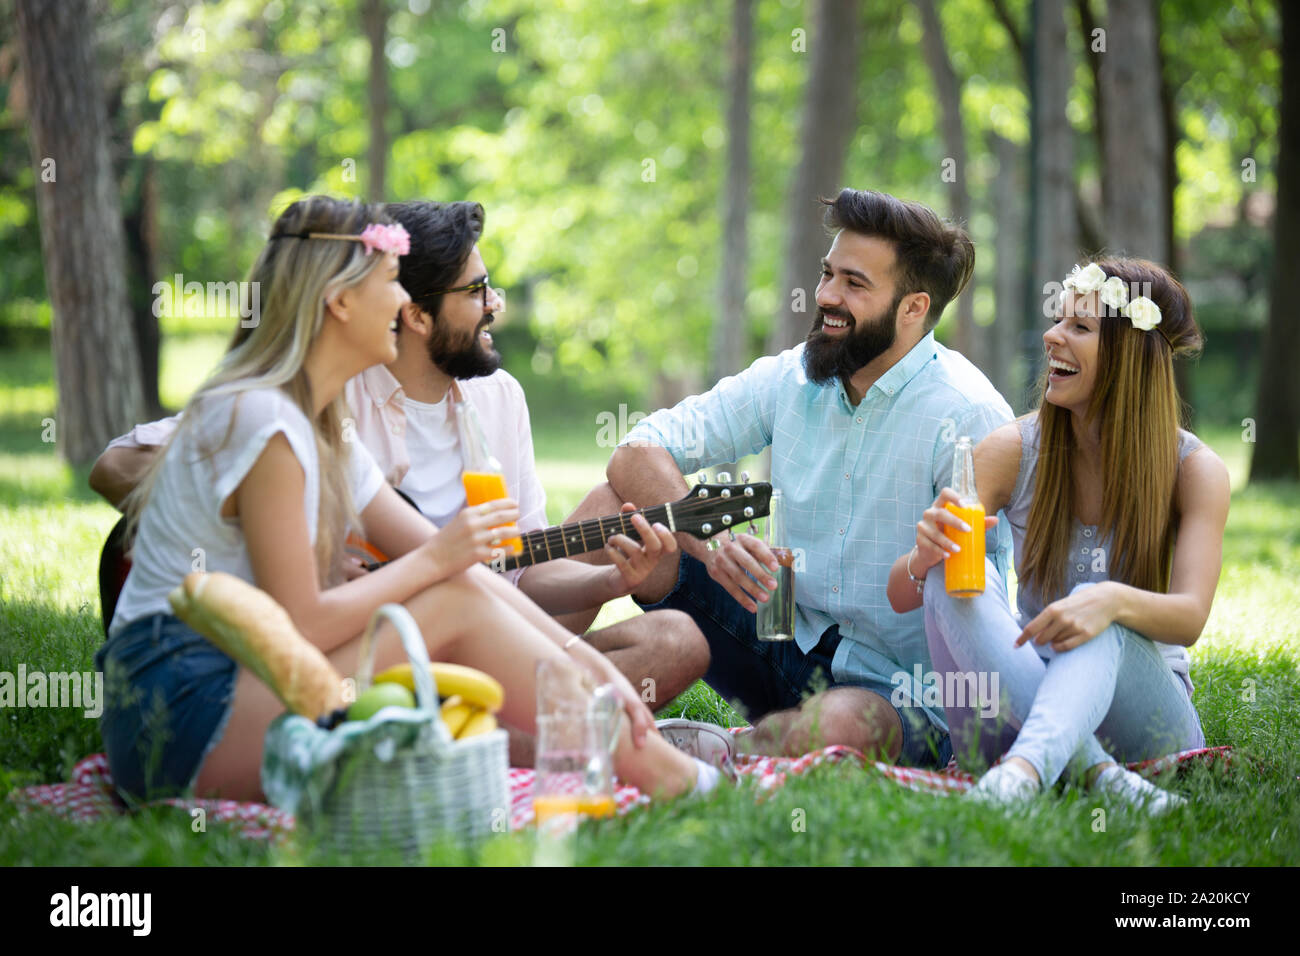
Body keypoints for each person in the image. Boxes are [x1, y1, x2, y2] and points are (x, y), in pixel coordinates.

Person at [96, 195, 715, 804]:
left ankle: (643, 759)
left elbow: (476, 580)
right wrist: (439, 560)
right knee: (448, 595)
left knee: (460, 591)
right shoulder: (266, 419)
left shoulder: (321, 424)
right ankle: (668, 776)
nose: (400, 304)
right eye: (390, 283)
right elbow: (311, 618)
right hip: (174, 712)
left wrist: (601, 677)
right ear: (340, 303)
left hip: (250, 682)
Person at [599, 188, 1014, 766]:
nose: (825, 297)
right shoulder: (792, 376)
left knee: (841, 724)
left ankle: (722, 753)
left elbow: (982, 603)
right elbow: (636, 451)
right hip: (781, 631)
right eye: (827, 275)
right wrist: (713, 545)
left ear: (913, 308)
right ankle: (531, 680)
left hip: (900, 691)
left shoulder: (968, 416)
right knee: (618, 505)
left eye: (854, 284)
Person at [888, 257, 1228, 813]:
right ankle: (1099, 779)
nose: (1052, 336)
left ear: (1129, 355)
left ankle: (1024, 772)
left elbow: (1189, 617)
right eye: (1058, 320)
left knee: (1100, 614)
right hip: (1021, 697)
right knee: (954, 566)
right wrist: (922, 559)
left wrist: (1110, 601)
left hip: (1148, 722)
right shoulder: (1011, 450)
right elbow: (903, 596)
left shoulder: (1193, 469)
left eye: (1079, 326)